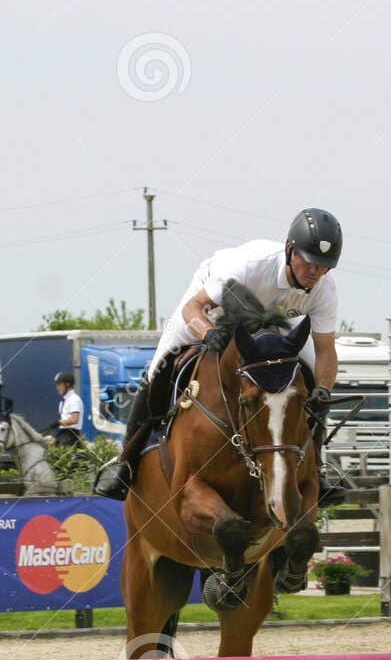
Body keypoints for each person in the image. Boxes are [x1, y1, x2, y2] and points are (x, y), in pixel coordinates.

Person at [93, 208, 342, 501]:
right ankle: (126, 462)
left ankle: (317, 469)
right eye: (309, 262)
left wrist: (323, 390)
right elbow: (193, 309)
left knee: (309, 377)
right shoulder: (249, 266)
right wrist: (207, 333)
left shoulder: (324, 289)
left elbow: (326, 350)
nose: (315, 272)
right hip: (213, 308)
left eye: (323, 266)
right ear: (289, 250)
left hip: (274, 321)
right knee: (159, 368)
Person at [52, 372, 83, 446]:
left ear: (67, 384)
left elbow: (74, 419)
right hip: (62, 433)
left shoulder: (74, 399)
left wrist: (59, 422)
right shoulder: (65, 400)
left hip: (70, 437)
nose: (57, 388)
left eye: (59, 385)